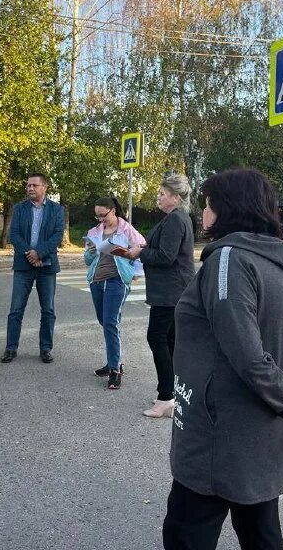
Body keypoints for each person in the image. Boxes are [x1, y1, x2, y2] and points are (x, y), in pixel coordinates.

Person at [161, 168, 283, 550]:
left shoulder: (228, 260)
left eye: (207, 205)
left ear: (226, 210)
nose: (202, 213)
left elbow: (245, 351)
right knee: (260, 530)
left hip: (220, 435)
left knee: (187, 532)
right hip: (259, 436)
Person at [124, 174, 195, 417]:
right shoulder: (175, 218)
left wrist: (140, 253)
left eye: (162, 194)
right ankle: (173, 393)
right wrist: (144, 249)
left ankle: (167, 397)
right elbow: (165, 250)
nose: (158, 196)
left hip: (170, 292)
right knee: (171, 342)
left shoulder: (176, 220)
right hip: (173, 290)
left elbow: (166, 257)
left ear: (175, 198)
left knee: (157, 338)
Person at [2, 173, 65, 364]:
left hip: (47, 266)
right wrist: (30, 254)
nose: (30, 188)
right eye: (28, 185)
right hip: (23, 265)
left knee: (48, 310)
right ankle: (11, 348)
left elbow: (57, 236)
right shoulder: (20, 208)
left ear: (44, 187)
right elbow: (14, 235)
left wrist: (39, 253)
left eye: (34, 185)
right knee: (16, 310)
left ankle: (45, 348)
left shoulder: (56, 210)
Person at [84, 197, 145, 389]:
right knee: (105, 321)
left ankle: (115, 370)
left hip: (117, 281)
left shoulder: (126, 229)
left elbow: (141, 247)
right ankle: (114, 360)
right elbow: (87, 260)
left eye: (103, 215)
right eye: (98, 216)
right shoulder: (94, 232)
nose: (100, 219)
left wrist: (136, 273)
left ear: (113, 210)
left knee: (110, 322)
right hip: (97, 281)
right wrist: (92, 251)